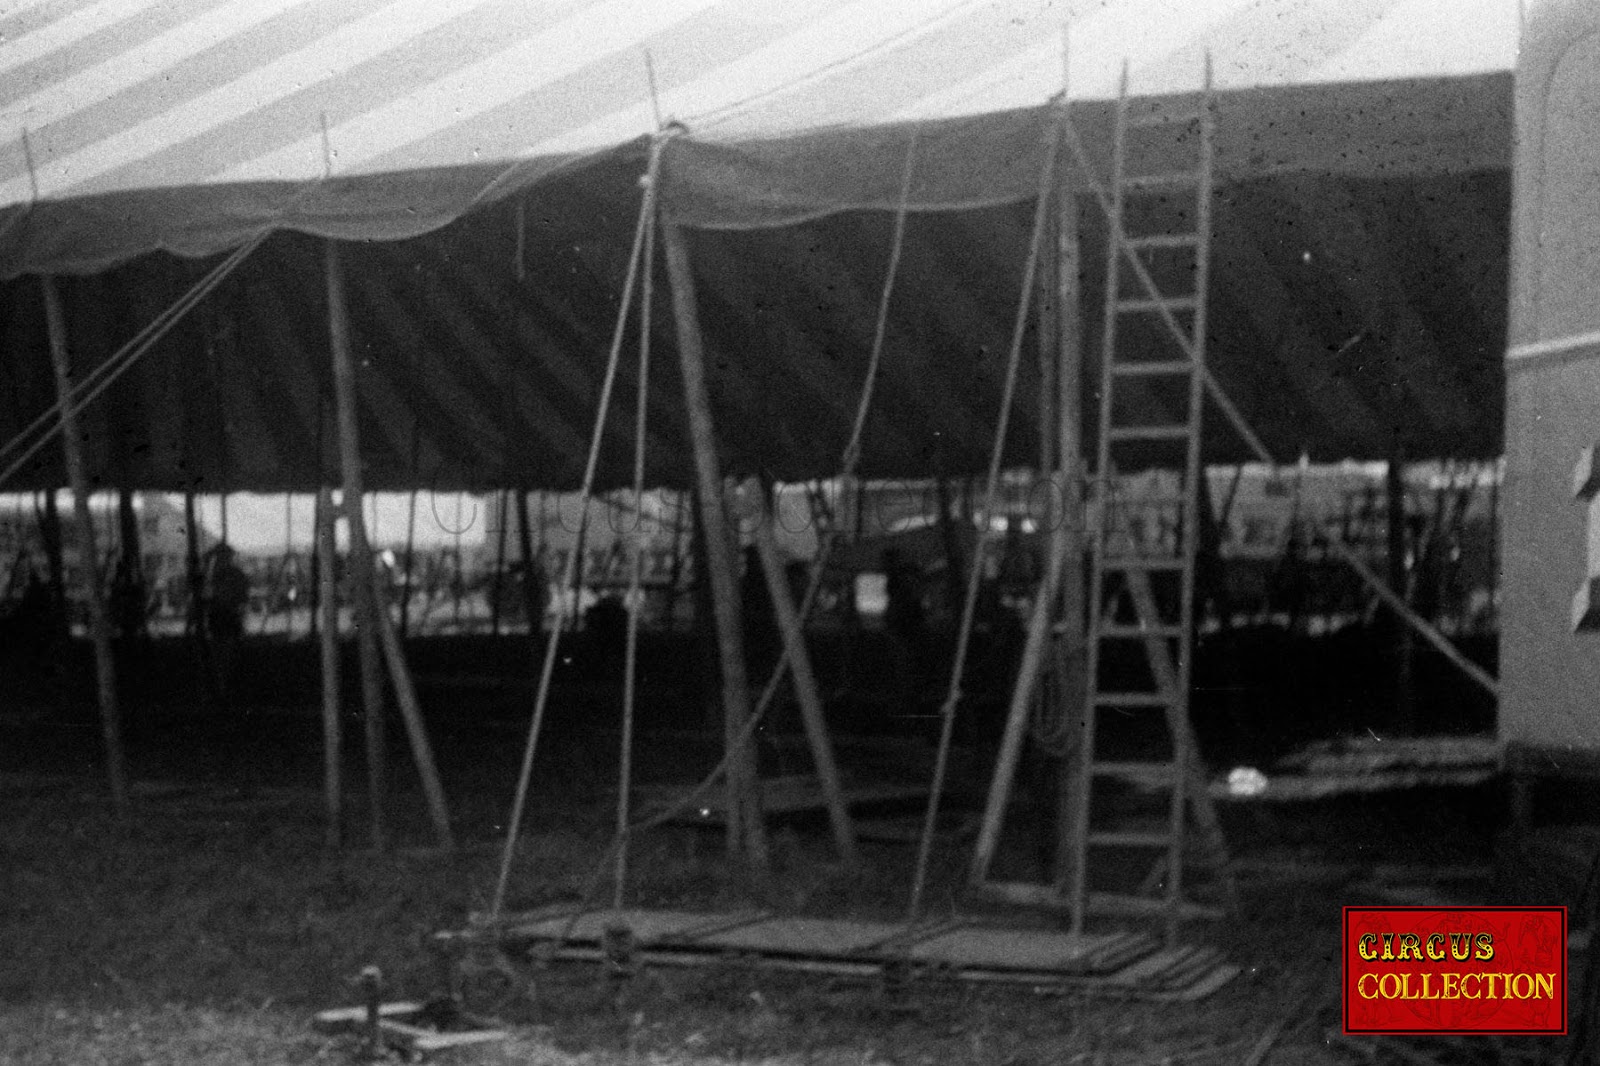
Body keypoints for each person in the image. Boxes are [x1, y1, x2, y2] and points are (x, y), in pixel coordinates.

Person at [203, 543, 251, 705]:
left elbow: (241, 598)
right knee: (221, 655)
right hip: (222, 617)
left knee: (226, 654)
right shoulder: (217, 575)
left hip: (227, 617)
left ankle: (226, 689)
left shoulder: (230, 575)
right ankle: (224, 689)